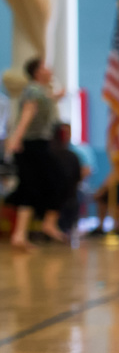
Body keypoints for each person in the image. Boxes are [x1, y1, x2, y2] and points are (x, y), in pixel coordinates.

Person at [6, 58, 66, 249]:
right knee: (57, 179)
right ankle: (47, 223)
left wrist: (56, 96)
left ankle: (19, 235)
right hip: (32, 145)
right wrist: (16, 138)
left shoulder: (41, 91)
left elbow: (45, 103)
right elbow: (28, 113)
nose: (49, 69)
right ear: (37, 72)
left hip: (36, 144)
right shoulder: (33, 90)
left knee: (28, 188)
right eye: (44, 67)